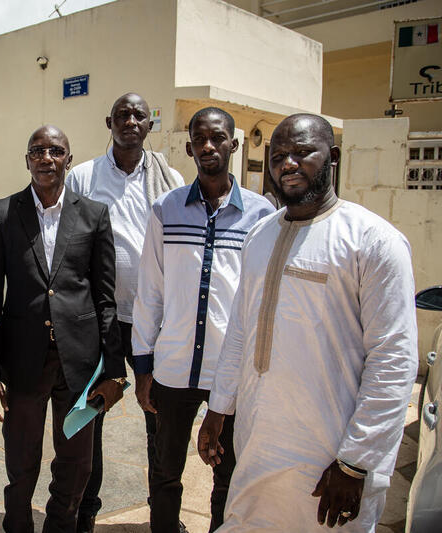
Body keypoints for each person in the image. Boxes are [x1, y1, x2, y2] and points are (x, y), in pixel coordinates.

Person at [198, 114, 418, 531]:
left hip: (328, 458)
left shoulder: (373, 241)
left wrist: (356, 462)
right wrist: (218, 409)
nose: (288, 164)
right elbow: (241, 333)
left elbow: (393, 361)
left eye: (302, 153)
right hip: (259, 445)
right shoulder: (260, 235)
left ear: (333, 157)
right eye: (278, 155)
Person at [132, 107, 274, 532]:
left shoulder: (262, 215)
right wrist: (143, 368)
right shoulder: (165, 209)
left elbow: (263, 300)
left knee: (227, 473)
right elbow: (150, 293)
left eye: (218, 138)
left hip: (229, 373)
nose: (208, 146)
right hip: (173, 368)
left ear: (234, 144)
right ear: (189, 147)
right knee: (164, 471)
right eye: (200, 139)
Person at [0, 125, 126, 533]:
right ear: (26, 160)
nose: (46, 158)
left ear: (68, 157)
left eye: (55, 150)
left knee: (76, 465)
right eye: (37, 151)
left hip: (79, 366)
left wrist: (114, 370)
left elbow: (104, 298)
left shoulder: (94, 214)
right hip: (22, 362)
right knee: (20, 465)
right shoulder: (0, 214)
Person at [65, 92, 184, 532]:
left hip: (155, 317)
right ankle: (84, 514)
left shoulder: (170, 179)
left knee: (158, 416)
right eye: (122, 115)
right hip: (100, 319)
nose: (130, 121)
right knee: (90, 414)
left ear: (149, 125)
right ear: (108, 122)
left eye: (139, 115)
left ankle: (164, 518)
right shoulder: (83, 177)